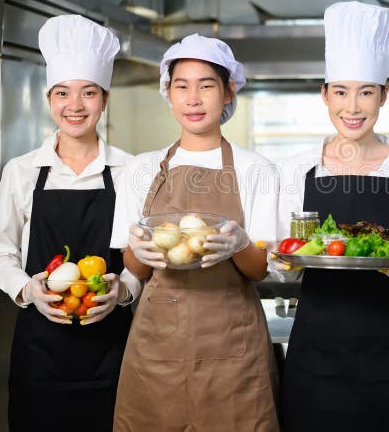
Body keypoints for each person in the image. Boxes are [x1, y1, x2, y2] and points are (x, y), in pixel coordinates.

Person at [272, 1, 389, 432]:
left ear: (384, 95)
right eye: (341, 92)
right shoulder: (296, 170)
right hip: (315, 350)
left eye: (366, 91)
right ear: (324, 94)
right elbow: (287, 267)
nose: (353, 106)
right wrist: (281, 260)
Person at [111, 33, 280, 431]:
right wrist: (139, 249)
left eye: (206, 86)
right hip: (156, 347)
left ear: (227, 92)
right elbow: (134, 268)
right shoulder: (142, 168)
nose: (193, 98)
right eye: (181, 86)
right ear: (167, 93)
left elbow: (259, 270)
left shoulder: (257, 169)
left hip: (232, 348)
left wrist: (239, 244)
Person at [0, 14, 141, 431]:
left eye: (88, 92)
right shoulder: (22, 171)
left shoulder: (130, 171)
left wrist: (124, 290)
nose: (75, 105)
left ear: (104, 99)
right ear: (49, 98)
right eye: (63, 93)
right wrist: (26, 289)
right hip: (41, 352)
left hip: (113, 350)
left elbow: (141, 255)